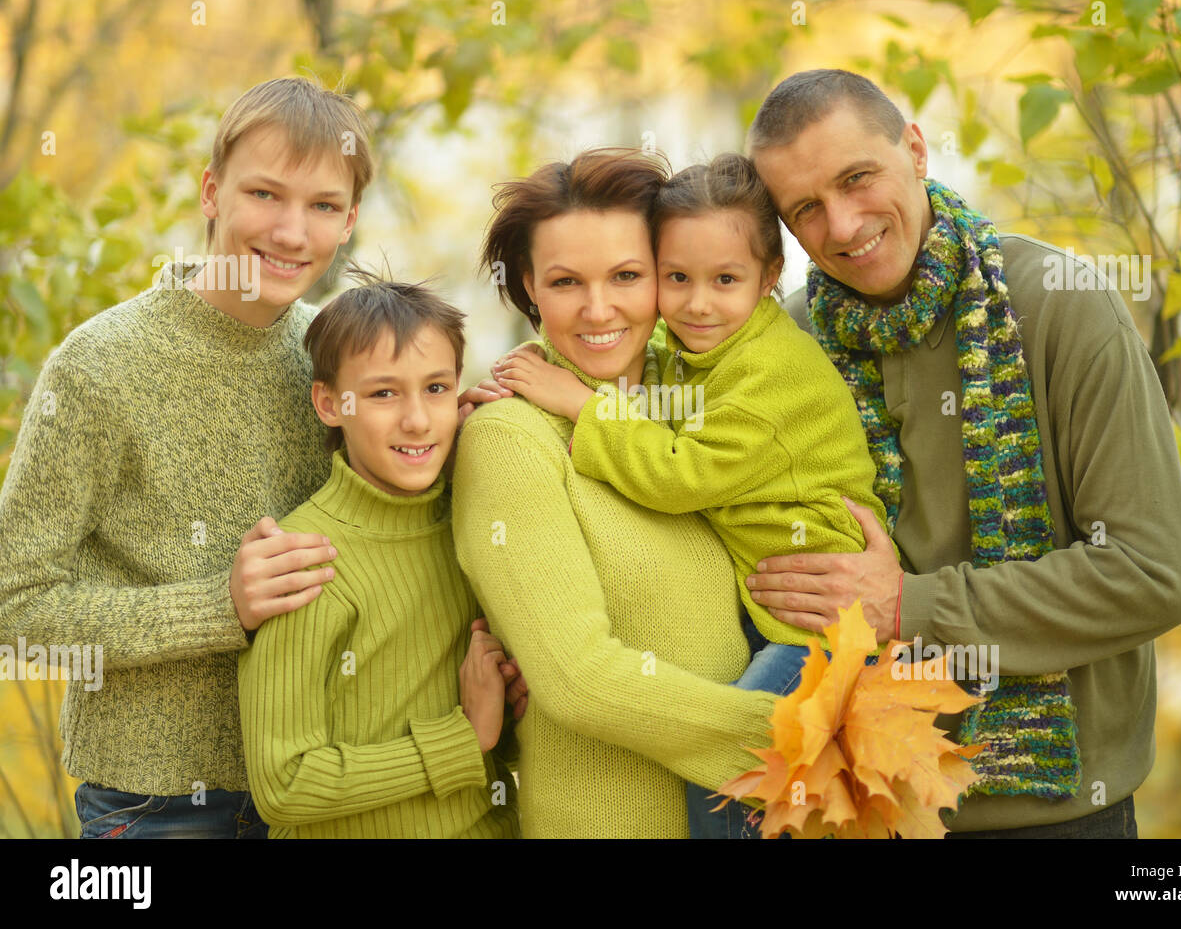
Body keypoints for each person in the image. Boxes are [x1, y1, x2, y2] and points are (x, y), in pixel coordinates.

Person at [743, 68, 1181, 837]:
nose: (845, 225)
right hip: (854, 806)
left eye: (858, 179)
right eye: (807, 210)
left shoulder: (1060, 306)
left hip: (1054, 814)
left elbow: (1149, 575)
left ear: (916, 150)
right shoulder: (783, 347)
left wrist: (903, 607)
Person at [0, 77, 372, 838]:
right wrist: (216, 606)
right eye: (265, 194)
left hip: (321, 786)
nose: (293, 232)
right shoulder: (98, 366)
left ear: (350, 222)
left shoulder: (341, 360)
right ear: (211, 192)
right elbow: (14, 609)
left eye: (323, 206)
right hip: (153, 806)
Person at [493, 152, 898, 838]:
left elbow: (679, 473)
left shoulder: (768, 375)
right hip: (775, 618)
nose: (696, 302)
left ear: (772, 278)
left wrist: (579, 404)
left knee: (732, 782)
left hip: (815, 623)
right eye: (676, 278)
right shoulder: (692, 356)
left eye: (627, 276)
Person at [453, 148, 781, 838]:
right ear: (529, 287)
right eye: (567, 281)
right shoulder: (510, 438)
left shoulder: (704, 397)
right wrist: (800, 730)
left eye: (627, 275)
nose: (599, 309)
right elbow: (578, 678)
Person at [238, 275, 522, 838]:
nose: (417, 419)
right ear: (328, 402)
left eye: (436, 388)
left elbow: (494, 747)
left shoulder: (471, 527)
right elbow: (285, 784)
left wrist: (510, 713)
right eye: (383, 393)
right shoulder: (305, 561)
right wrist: (462, 738)